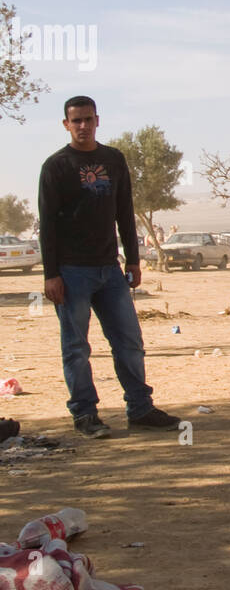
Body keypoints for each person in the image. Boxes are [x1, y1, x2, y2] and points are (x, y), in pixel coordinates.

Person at [38, 97, 180, 439]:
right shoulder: (56, 166)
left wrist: (133, 259)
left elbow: (124, 212)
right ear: (66, 125)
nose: (83, 126)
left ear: (97, 120)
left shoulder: (113, 160)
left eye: (88, 119)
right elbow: (48, 225)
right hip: (72, 273)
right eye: (76, 121)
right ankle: (86, 415)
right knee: (76, 348)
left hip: (109, 270)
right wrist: (50, 274)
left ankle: (140, 409)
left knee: (129, 342)